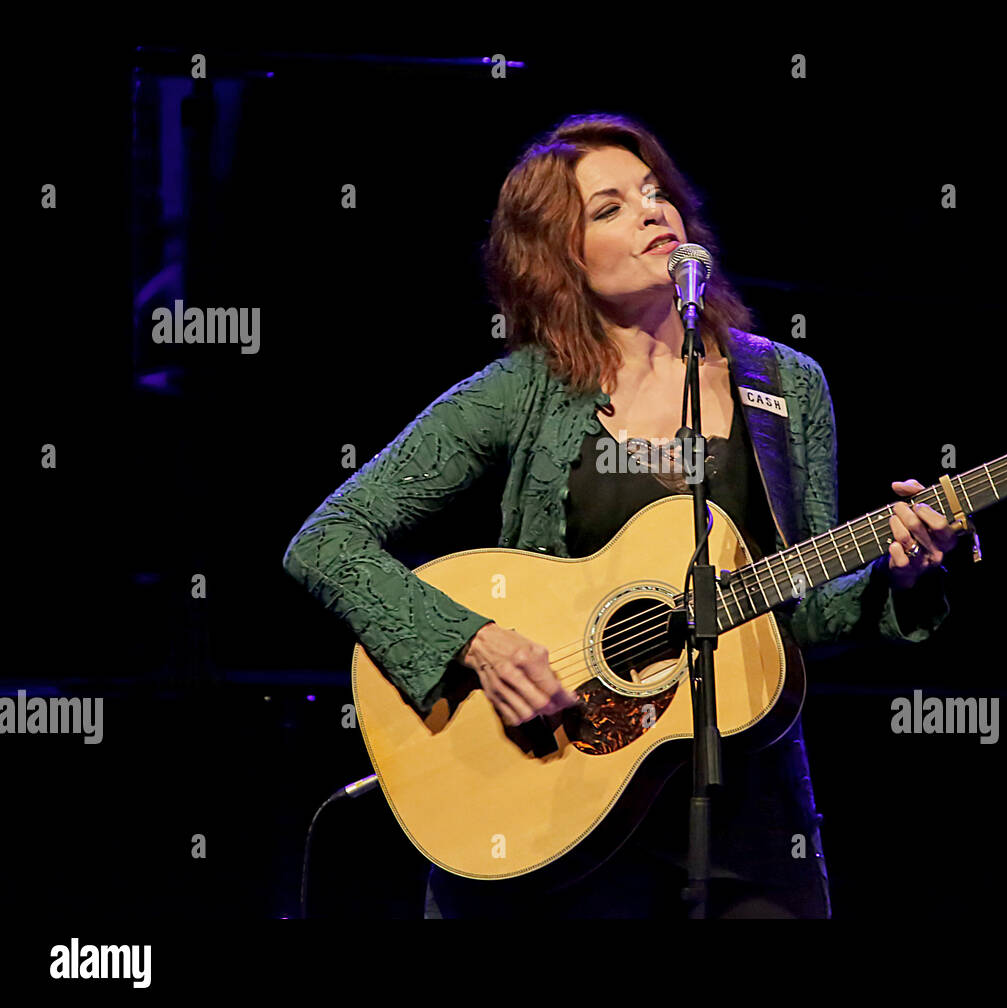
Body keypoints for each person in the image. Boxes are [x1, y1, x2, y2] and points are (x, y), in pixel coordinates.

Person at [282, 112, 959, 919]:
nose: (652, 211)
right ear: (559, 259)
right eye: (608, 208)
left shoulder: (786, 385)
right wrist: (475, 642)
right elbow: (326, 540)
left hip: (749, 818)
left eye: (656, 192)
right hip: (549, 796)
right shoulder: (524, 389)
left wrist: (905, 573)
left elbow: (805, 611)